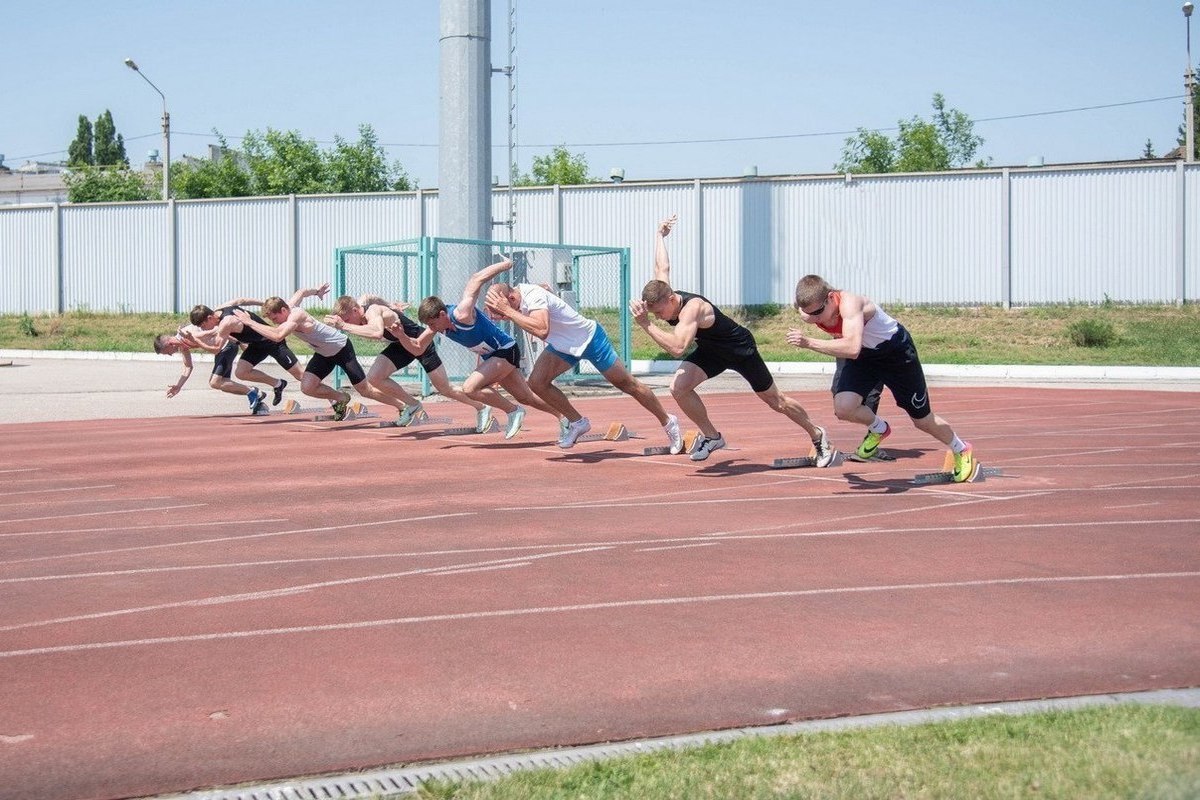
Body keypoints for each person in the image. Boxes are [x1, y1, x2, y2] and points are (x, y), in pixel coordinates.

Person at [629, 214, 836, 464]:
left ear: (671, 299)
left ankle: (817, 434)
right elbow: (661, 267)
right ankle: (712, 436)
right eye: (655, 315)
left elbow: (678, 347)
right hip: (712, 350)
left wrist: (646, 324)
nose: (661, 317)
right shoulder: (662, 290)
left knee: (776, 401)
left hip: (740, 349)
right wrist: (659, 236)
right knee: (679, 388)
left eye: (660, 313)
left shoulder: (692, 309)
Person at [787, 274, 976, 482]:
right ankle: (879, 428)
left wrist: (808, 342)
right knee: (843, 408)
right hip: (865, 357)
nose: (814, 318)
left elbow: (851, 347)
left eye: (818, 312)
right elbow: (853, 348)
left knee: (922, 420)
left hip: (895, 353)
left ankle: (961, 448)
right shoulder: (810, 309)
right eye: (808, 314)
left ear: (831, 297)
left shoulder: (851, 303)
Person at [484, 265, 684, 452]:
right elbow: (538, 295)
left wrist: (509, 311)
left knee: (627, 384)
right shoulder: (519, 296)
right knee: (536, 382)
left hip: (589, 339)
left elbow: (542, 330)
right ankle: (577, 422)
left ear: (510, 298)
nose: (499, 317)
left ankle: (668, 421)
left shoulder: (531, 297)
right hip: (564, 346)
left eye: (499, 311)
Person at [403, 256, 564, 440]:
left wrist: (507, 265)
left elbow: (476, 279)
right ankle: (566, 417)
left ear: (442, 314)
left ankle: (513, 411)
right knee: (526, 397)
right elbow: (417, 347)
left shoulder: (462, 314)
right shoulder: (437, 327)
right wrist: (401, 334)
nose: (431, 328)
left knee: (469, 388)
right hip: (494, 357)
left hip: (505, 350)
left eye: (432, 323)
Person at [232, 283, 417, 422]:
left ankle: (402, 407)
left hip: (341, 348)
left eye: (275, 318)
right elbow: (301, 292)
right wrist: (317, 292)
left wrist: (250, 323)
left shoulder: (296, 315)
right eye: (271, 320)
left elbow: (278, 335)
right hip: (323, 353)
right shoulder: (288, 307)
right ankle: (341, 398)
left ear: (283, 310)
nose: (275, 322)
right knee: (307, 386)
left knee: (365, 390)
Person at [323, 294, 493, 430]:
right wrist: (391, 306)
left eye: (346, 320)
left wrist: (344, 326)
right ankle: (412, 405)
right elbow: (369, 296)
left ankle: (482, 407)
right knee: (374, 377)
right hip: (401, 344)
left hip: (419, 341)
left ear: (354, 311)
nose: (346, 324)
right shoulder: (361, 304)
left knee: (444, 388)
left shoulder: (372, 312)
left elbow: (376, 332)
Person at [185, 297, 306, 410]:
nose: (203, 328)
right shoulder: (222, 308)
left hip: (272, 342)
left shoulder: (226, 323)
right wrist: (262, 303)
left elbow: (216, 349)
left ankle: (324, 395)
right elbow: (241, 300)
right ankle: (278, 384)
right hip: (256, 345)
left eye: (203, 325)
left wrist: (196, 341)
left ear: (210, 317)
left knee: (301, 376)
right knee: (241, 373)